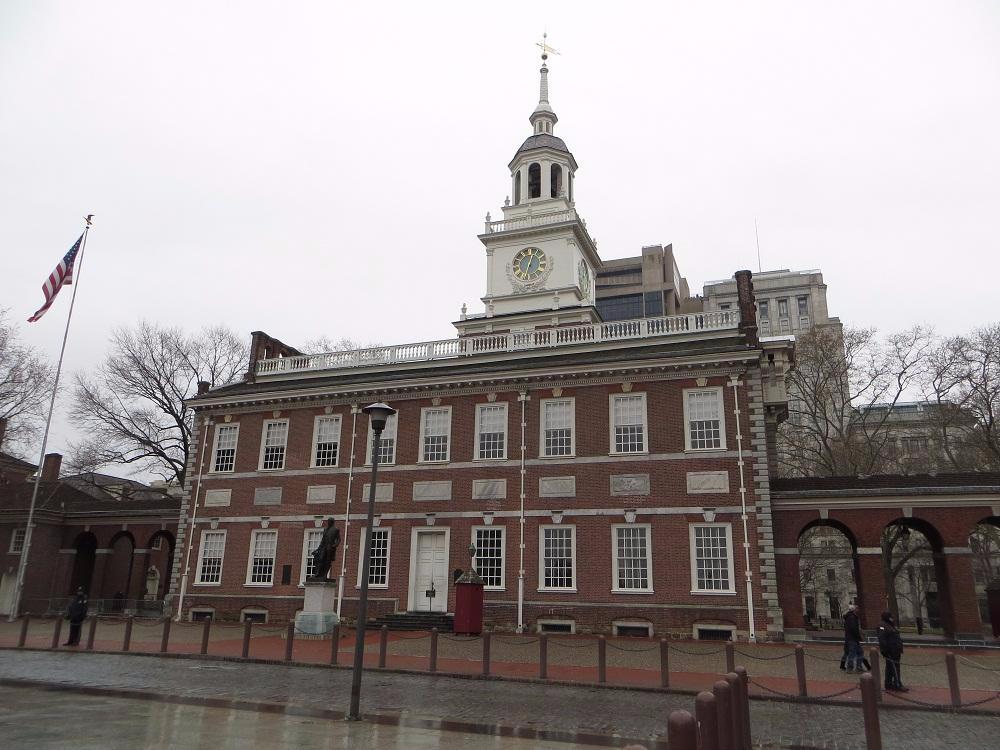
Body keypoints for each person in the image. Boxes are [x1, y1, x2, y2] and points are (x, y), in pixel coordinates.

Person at [877, 610, 907, 691]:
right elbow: (882, 638)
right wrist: (885, 650)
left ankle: (889, 683)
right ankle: (897, 684)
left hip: (895, 650)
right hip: (890, 650)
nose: (892, 618)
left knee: (890, 667)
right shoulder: (882, 626)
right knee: (894, 668)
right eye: (890, 616)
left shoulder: (890, 625)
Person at [843, 603, 864, 673]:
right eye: (857, 608)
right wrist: (859, 636)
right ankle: (851, 667)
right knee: (853, 653)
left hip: (851, 638)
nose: (858, 610)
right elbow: (854, 629)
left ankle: (857, 667)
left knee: (859, 652)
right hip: (853, 638)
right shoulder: (852, 618)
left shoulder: (850, 617)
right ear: (854, 610)